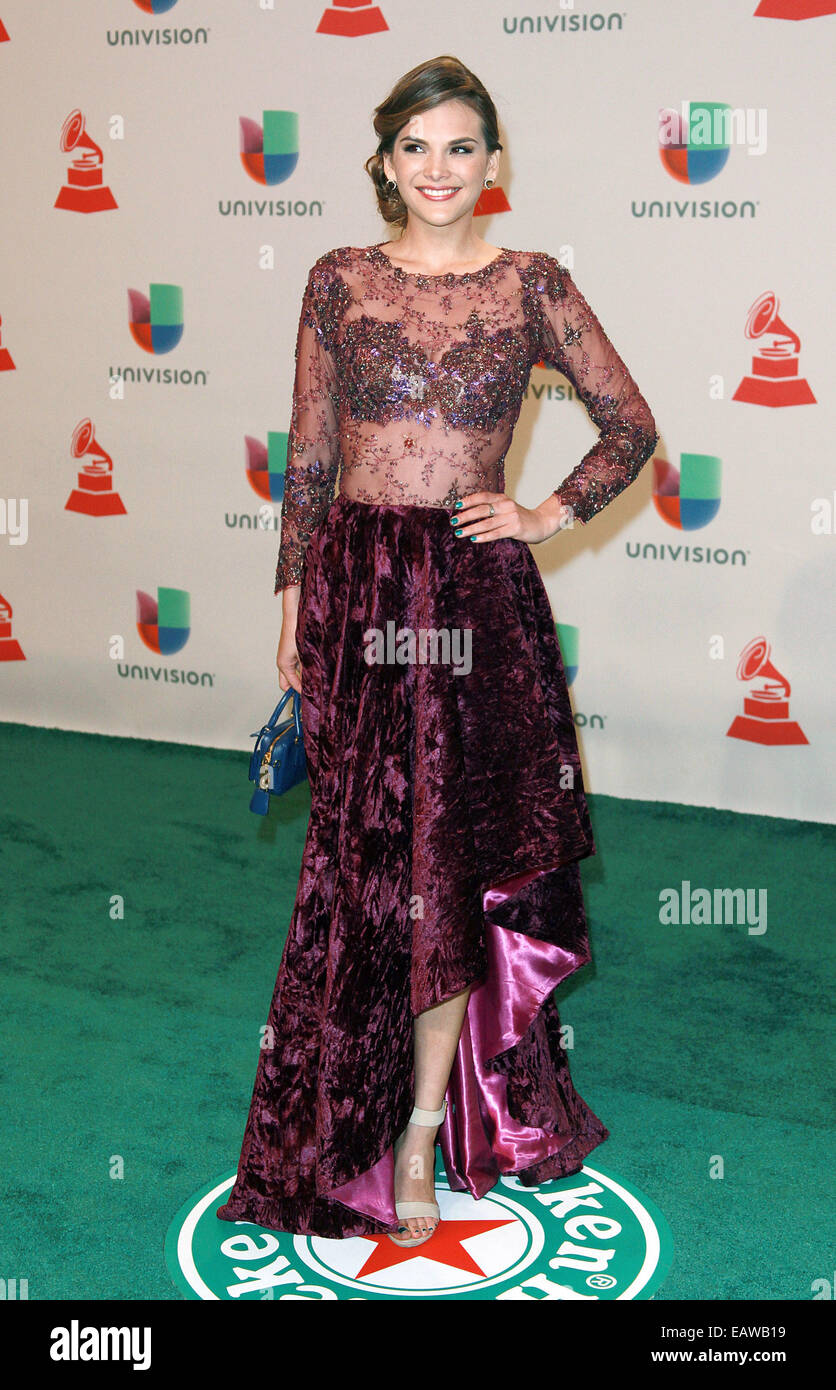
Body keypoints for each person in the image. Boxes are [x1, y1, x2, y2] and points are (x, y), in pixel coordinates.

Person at [217, 54, 658, 1250]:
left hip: (475, 598)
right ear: (383, 161)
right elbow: (308, 458)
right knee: (362, 867)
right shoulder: (337, 280)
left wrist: (541, 512)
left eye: (461, 146)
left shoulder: (530, 284)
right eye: (416, 147)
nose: (439, 168)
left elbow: (630, 426)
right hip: (358, 594)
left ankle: (418, 1128)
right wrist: (293, 597)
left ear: (493, 162)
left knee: (450, 861)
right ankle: (344, 1113)